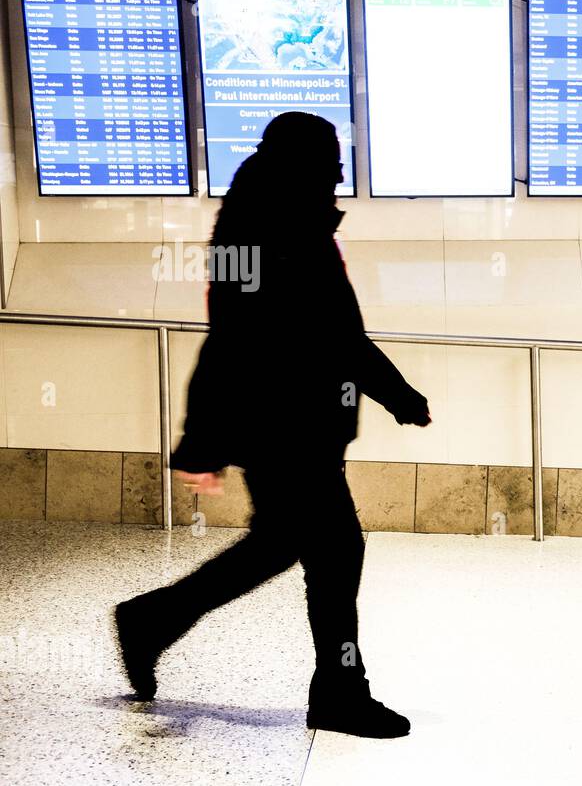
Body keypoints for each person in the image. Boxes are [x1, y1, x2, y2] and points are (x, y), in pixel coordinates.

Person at [114, 112, 431, 739]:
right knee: (335, 551)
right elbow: (246, 336)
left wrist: (390, 390)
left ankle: (154, 620)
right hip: (284, 425)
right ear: (304, 164)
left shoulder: (277, 217)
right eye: (332, 160)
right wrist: (394, 391)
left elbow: (325, 332)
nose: (342, 172)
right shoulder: (269, 227)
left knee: (288, 545)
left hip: (296, 422)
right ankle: (338, 691)